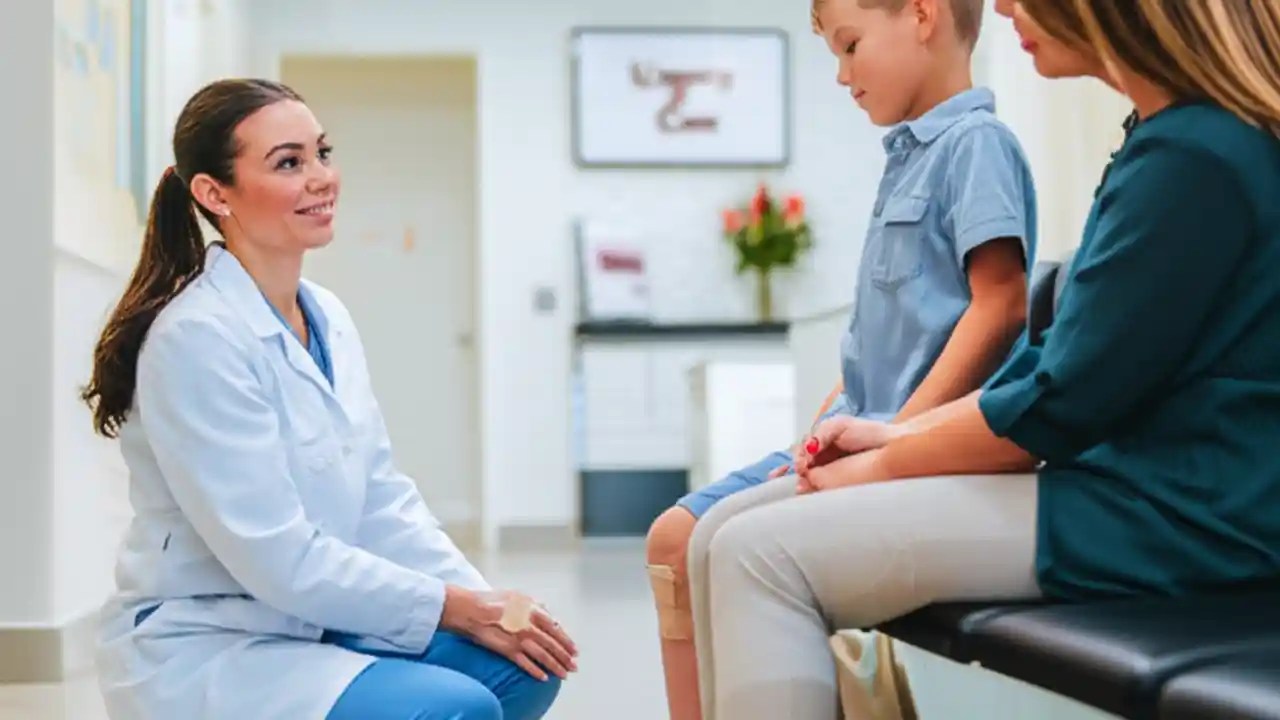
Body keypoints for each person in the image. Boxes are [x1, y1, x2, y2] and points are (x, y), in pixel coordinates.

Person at [694, 0, 1280, 716]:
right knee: (724, 538)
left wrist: (882, 462)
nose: (1001, 7)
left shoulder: (1197, 152)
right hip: (1139, 495)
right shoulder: (1176, 140)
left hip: (1180, 521)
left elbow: (1058, 403)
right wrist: (897, 438)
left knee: (758, 556)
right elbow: (1055, 368)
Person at [84, 79, 574, 720]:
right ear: (213, 193)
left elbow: (381, 498)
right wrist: (455, 609)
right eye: (289, 162)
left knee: (521, 669)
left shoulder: (328, 317)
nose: (321, 178)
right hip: (214, 639)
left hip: (308, 618)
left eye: (322, 152)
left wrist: (487, 604)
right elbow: (277, 557)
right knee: (454, 709)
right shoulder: (196, 338)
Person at [644, 0, 1037, 716]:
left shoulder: (978, 144)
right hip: (860, 427)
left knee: (713, 544)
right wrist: (815, 436)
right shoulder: (908, 159)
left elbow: (1001, 305)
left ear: (922, 15)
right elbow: (878, 344)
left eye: (850, 46)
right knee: (678, 538)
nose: (841, 75)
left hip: (906, 441)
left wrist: (901, 438)